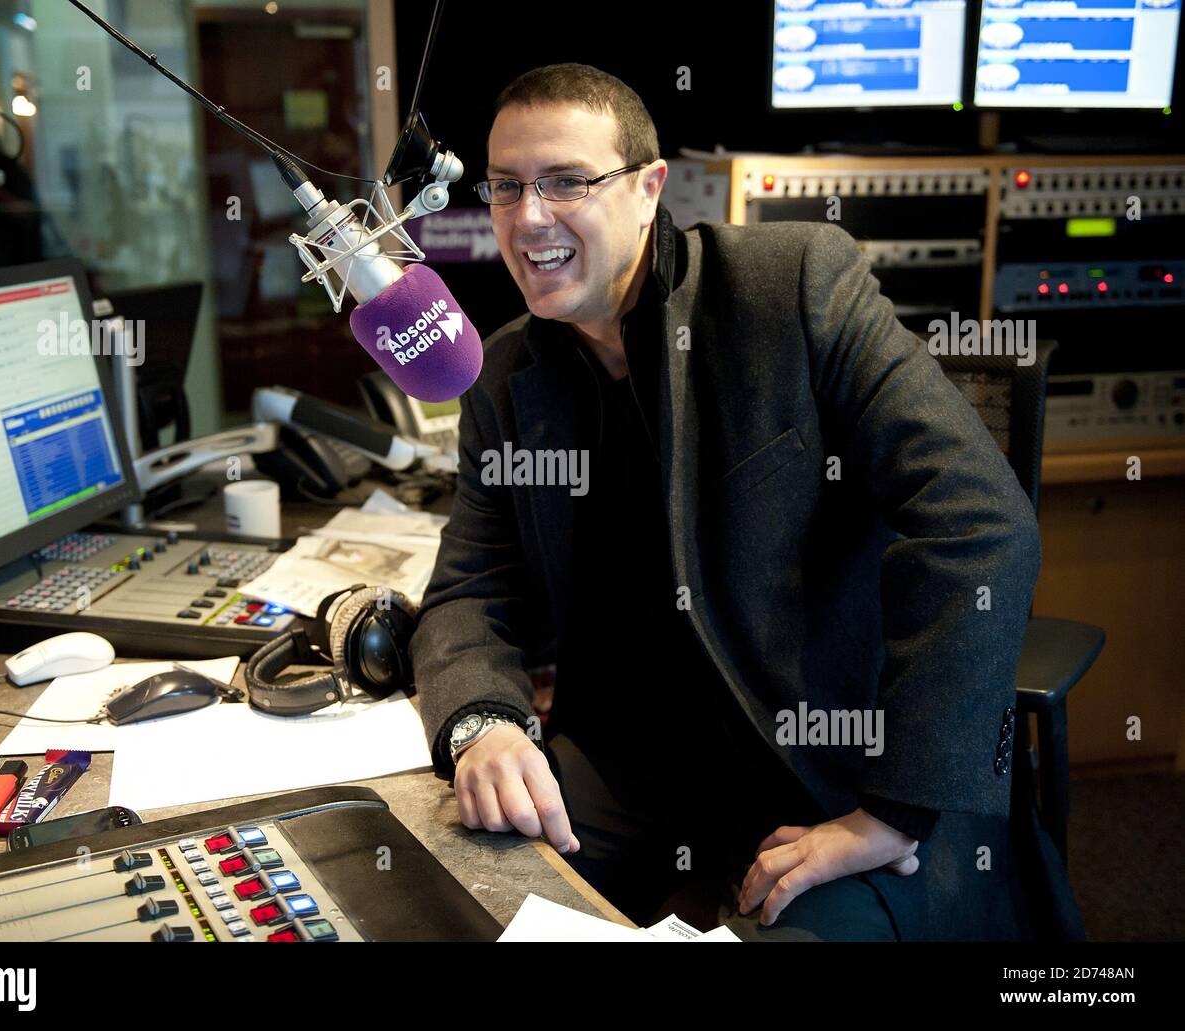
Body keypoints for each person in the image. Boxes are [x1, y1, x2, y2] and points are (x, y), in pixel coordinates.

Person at [409, 64, 1042, 940]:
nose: (528, 218)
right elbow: (471, 590)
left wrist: (897, 806)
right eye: (506, 186)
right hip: (629, 777)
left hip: (828, 774)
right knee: (445, 894)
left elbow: (980, 520)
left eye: (565, 182)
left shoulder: (790, 286)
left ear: (647, 189)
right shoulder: (506, 375)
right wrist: (483, 725)